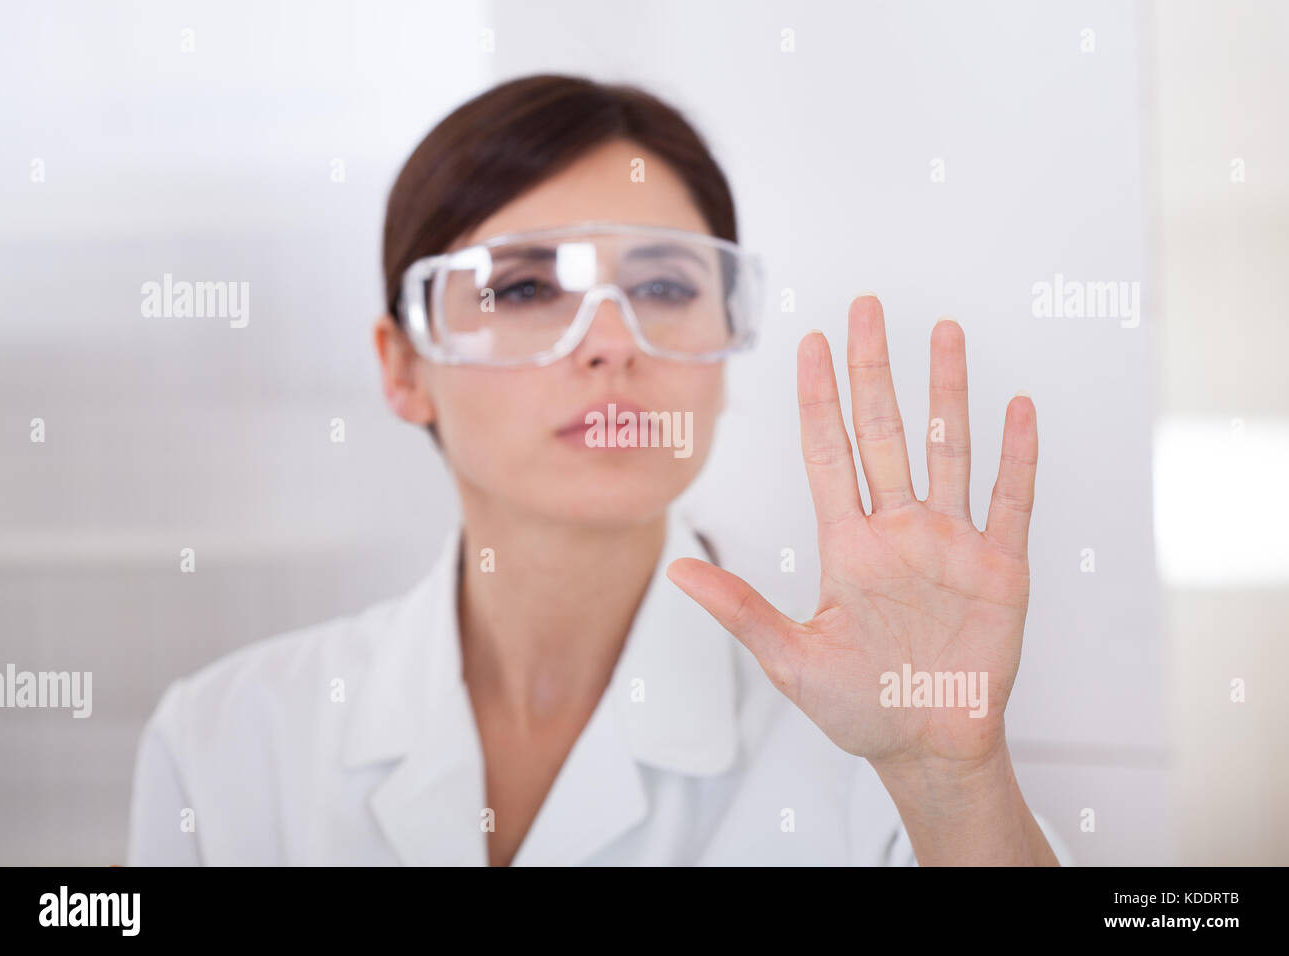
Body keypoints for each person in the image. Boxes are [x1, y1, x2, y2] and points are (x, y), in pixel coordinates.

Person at [127, 74, 1071, 866]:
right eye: (526, 287)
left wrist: (951, 783)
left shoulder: (867, 735)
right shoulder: (225, 744)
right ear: (403, 366)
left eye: (663, 286)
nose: (612, 343)